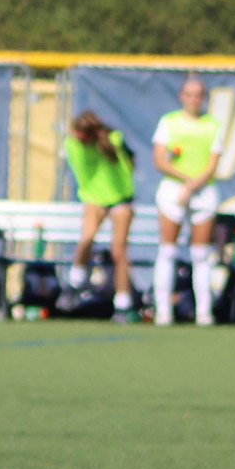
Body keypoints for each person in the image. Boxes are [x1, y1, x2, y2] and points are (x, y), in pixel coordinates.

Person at [152, 76, 224, 325]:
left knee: (201, 254)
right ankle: (163, 311)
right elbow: (160, 160)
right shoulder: (169, 122)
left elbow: (213, 163)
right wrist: (184, 181)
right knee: (168, 250)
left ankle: (204, 311)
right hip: (174, 190)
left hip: (203, 192)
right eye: (189, 94)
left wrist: (193, 186)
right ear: (182, 96)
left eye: (198, 95)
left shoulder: (212, 125)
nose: (194, 99)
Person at [63, 110, 136, 322]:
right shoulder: (73, 144)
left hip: (121, 198)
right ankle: (74, 283)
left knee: (118, 251)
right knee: (87, 238)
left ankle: (123, 303)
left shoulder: (113, 139)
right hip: (94, 198)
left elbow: (129, 161)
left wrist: (110, 147)